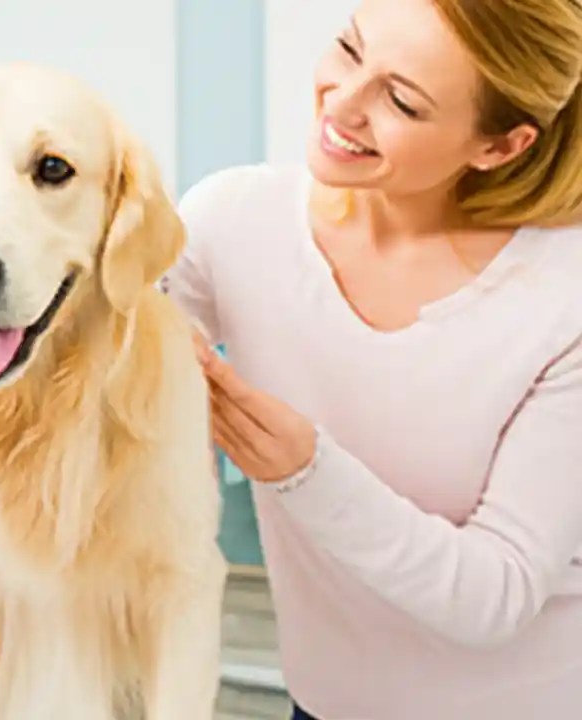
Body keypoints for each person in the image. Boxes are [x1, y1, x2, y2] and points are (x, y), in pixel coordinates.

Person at [165, 0, 582, 718]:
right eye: (350, 49)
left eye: (401, 100)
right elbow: (90, 356)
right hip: (324, 702)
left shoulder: (562, 296)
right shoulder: (233, 223)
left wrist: (305, 471)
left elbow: (499, 592)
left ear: (499, 147)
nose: (342, 103)